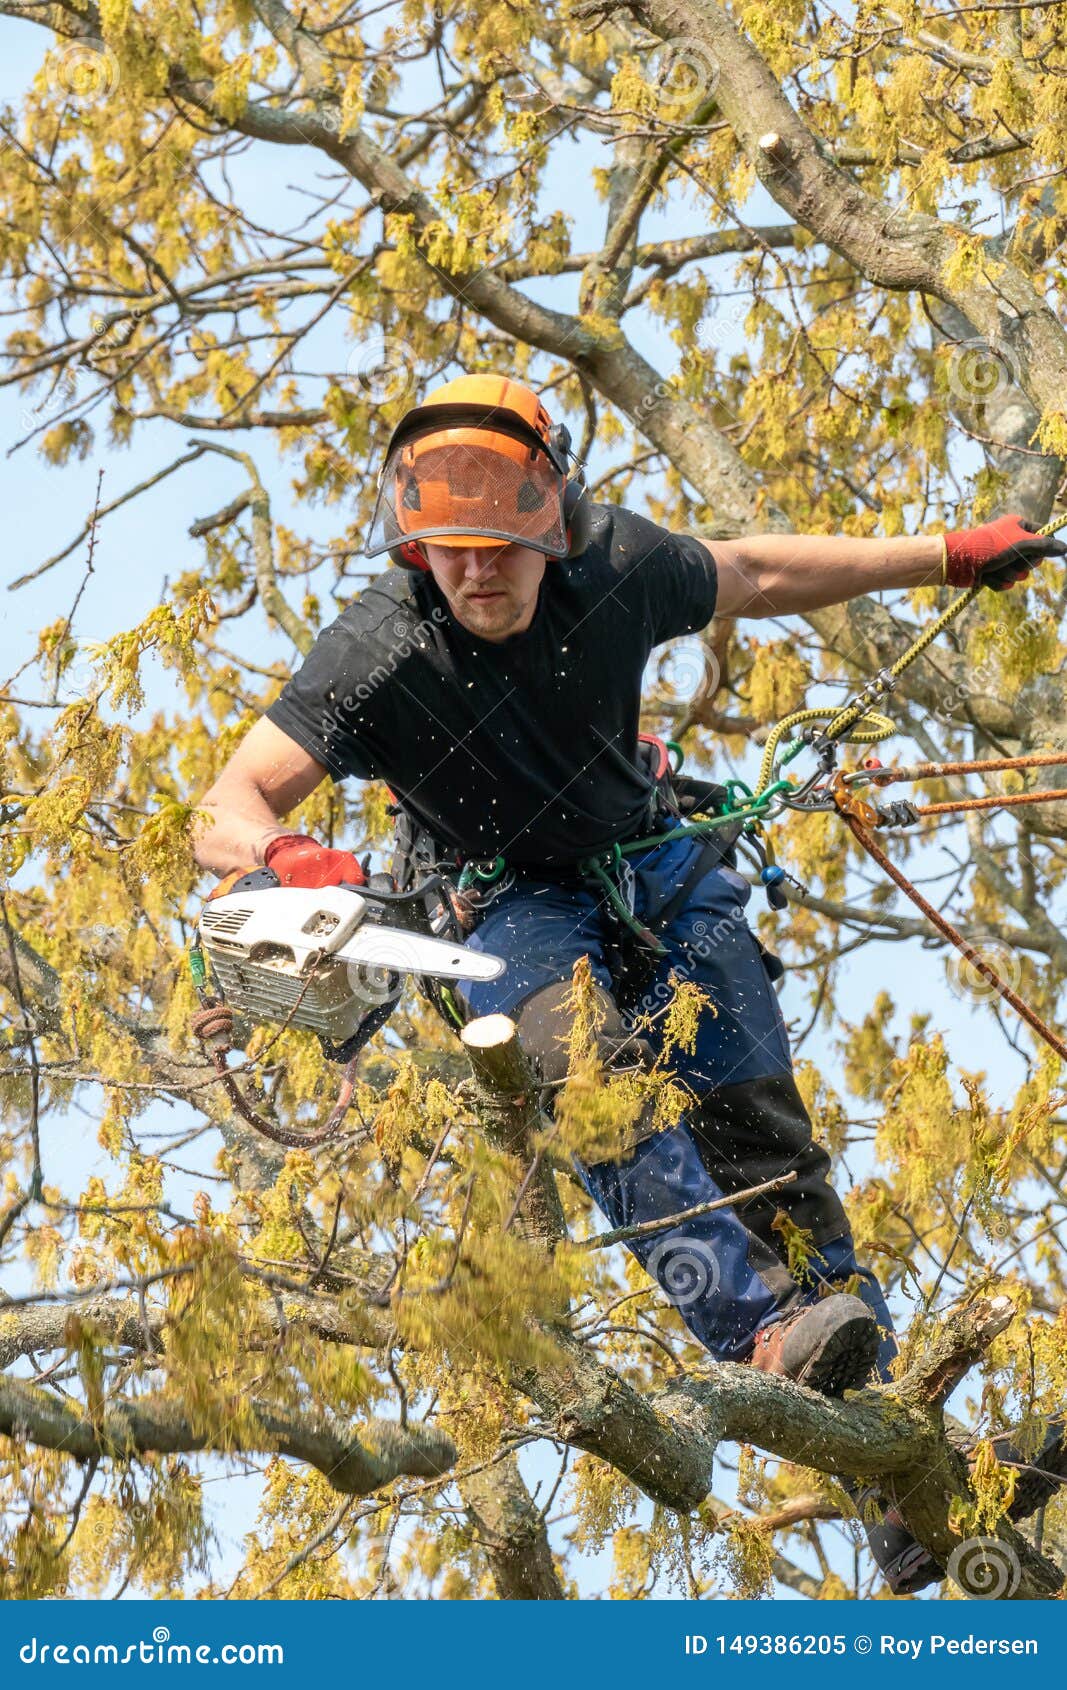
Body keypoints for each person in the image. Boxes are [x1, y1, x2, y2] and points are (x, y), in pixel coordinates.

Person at [192, 373, 1066, 1589]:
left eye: (496, 546)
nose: (474, 573)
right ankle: (755, 1337)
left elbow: (756, 572)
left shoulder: (614, 565)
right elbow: (223, 804)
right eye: (448, 550)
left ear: (548, 523)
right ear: (416, 542)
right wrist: (284, 852)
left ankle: (912, 1478)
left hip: (651, 855)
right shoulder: (377, 645)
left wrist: (943, 558)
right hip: (502, 899)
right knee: (589, 1081)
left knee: (760, 1120)